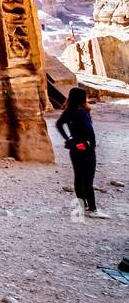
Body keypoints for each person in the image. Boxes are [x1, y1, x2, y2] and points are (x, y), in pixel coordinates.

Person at [56, 87, 110, 219]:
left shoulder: (68, 112)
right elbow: (90, 133)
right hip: (86, 150)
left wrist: (68, 139)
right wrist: (90, 145)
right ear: (83, 98)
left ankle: (82, 205)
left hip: (74, 149)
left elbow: (59, 124)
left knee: (78, 178)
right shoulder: (82, 113)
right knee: (88, 180)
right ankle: (93, 210)